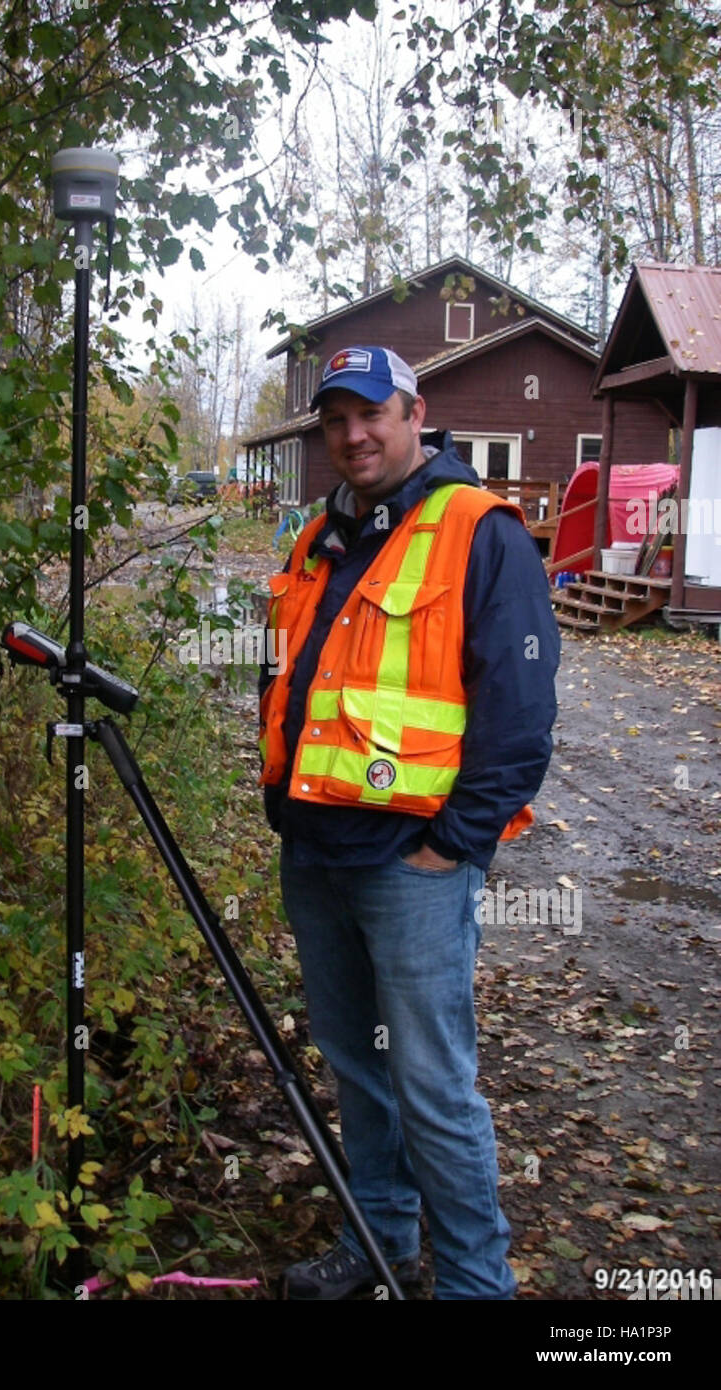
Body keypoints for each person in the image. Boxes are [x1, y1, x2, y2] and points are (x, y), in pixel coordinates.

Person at [258, 345, 560, 1300]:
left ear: (414, 413)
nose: (353, 434)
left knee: (432, 1087)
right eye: (335, 419)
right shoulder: (317, 537)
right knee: (358, 1067)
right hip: (315, 851)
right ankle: (381, 1241)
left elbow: (519, 713)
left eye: (371, 414)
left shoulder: (480, 530)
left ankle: (476, 1283)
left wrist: (452, 847)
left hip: (411, 868)